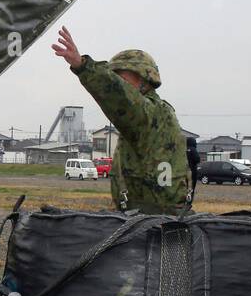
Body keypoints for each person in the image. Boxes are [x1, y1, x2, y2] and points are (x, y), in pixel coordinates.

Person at [52, 27, 188, 214]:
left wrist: (83, 66)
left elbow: (119, 96)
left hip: (155, 223)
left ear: (143, 79)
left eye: (121, 79)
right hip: (147, 218)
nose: (118, 83)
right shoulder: (148, 116)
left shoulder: (151, 113)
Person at [186, 136, 201, 204]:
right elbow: (197, 159)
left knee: (185, 188)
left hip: (183, 171)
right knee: (191, 188)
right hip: (192, 171)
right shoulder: (193, 149)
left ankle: (183, 202)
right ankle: (188, 203)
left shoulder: (184, 149)